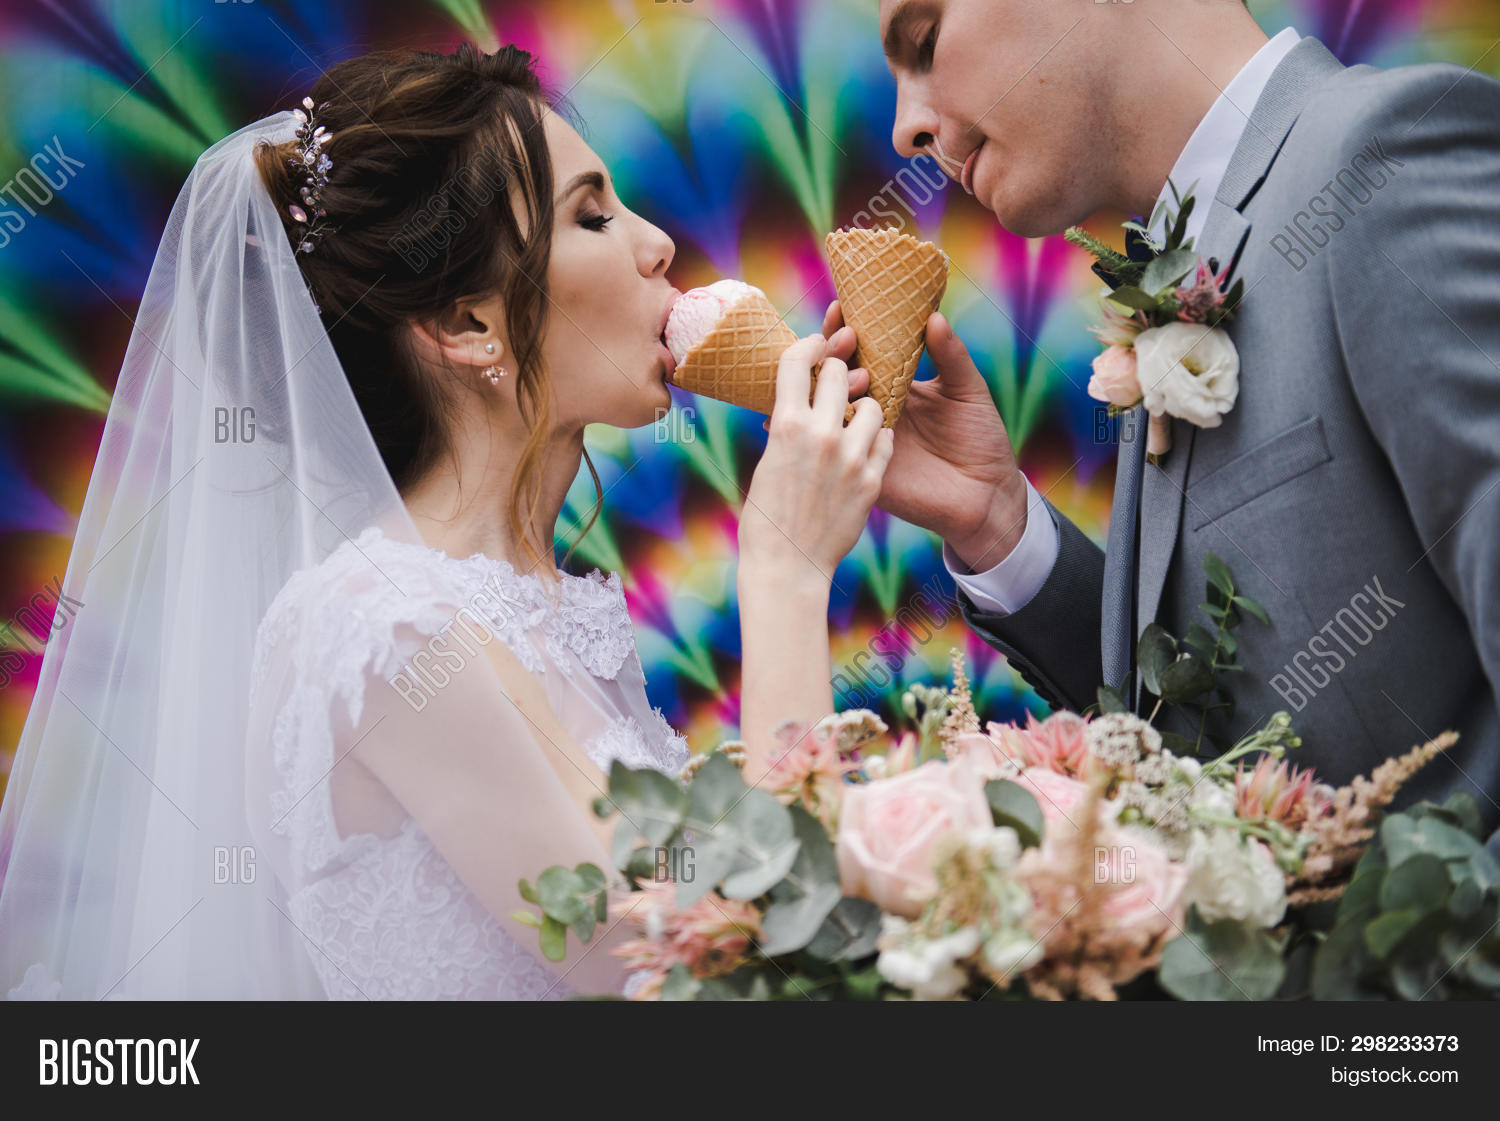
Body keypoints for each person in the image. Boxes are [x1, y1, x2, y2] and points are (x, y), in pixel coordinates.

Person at [0, 42, 891, 1000]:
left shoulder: (552, 611)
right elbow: (702, 959)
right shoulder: (383, 629)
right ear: (468, 326)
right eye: (592, 216)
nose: (658, 244)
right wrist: (786, 570)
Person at [844, 0, 1500, 828]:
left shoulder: (1384, 161)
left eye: (926, 38)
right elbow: (1193, 741)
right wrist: (996, 521)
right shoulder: (1178, 261)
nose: (904, 128)